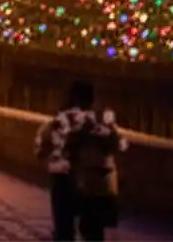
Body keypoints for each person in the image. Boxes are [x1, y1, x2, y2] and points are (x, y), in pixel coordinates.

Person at [36, 81, 127, 241]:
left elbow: (42, 148)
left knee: (64, 221)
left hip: (73, 183)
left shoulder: (63, 121)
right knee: (94, 231)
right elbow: (118, 144)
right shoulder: (102, 122)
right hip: (99, 187)